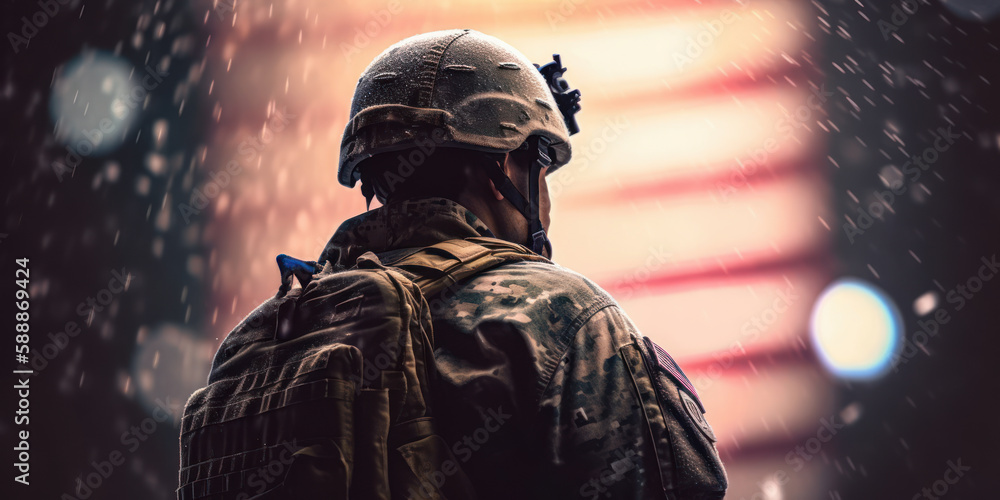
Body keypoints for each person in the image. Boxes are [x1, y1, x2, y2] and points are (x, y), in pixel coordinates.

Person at [323, 29, 728, 499]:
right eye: (541, 171)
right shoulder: (563, 316)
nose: (546, 202)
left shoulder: (272, 332)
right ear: (504, 171)